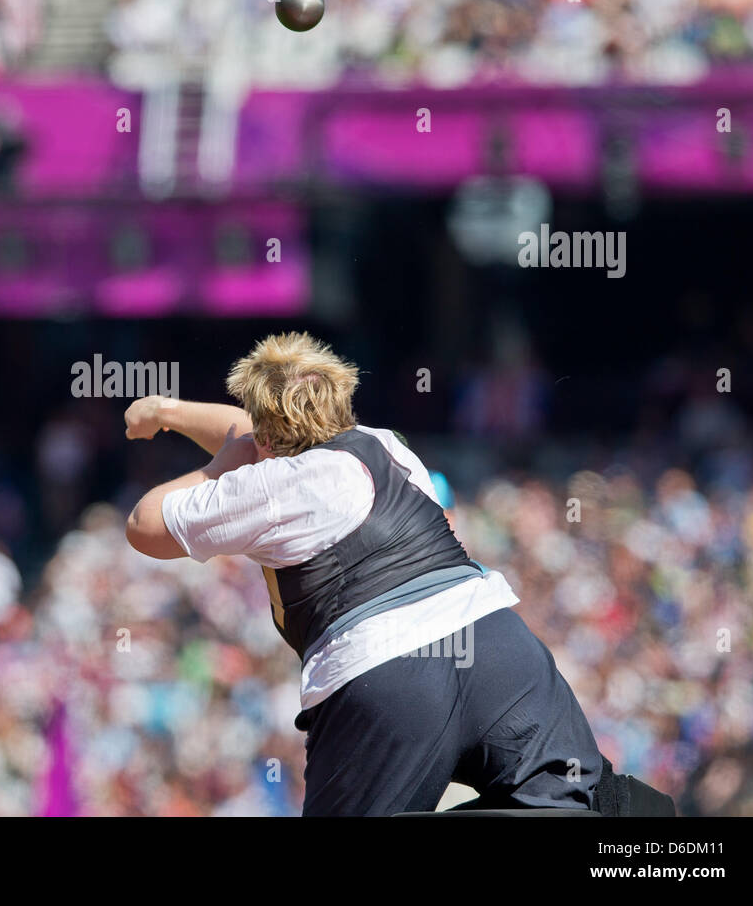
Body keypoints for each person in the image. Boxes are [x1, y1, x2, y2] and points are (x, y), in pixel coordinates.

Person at [123, 332, 627, 816]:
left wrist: (220, 468)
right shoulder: (384, 443)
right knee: (574, 808)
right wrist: (170, 412)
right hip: (500, 648)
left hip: (385, 674)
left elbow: (144, 525)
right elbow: (247, 432)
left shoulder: (268, 485)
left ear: (268, 437)